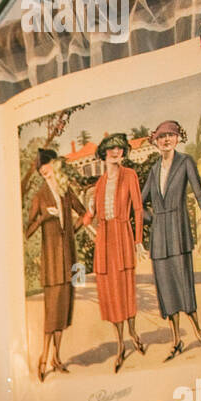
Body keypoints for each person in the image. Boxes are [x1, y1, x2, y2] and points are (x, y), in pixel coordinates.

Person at [141, 119, 201, 360]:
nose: (166, 139)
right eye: (161, 137)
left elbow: (200, 194)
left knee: (184, 285)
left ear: (178, 138)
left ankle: (199, 331)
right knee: (167, 290)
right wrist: (154, 219)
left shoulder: (186, 162)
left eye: (170, 135)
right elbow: (139, 204)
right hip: (160, 239)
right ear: (156, 142)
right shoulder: (153, 170)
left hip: (179, 234)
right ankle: (176, 340)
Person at [83, 133, 145, 373]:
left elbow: (138, 210)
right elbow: (91, 217)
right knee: (110, 292)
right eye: (111, 149)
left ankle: (133, 332)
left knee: (126, 288)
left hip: (122, 234)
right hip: (105, 239)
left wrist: (138, 241)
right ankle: (120, 344)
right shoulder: (99, 184)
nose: (116, 152)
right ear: (103, 154)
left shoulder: (129, 176)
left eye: (120, 148)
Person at [25, 148, 85, 382]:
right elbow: (27, 230)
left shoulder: (64, 189)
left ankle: (57, 358)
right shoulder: (40, 196)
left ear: (54, 164)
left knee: (64, 312)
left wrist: (74, 232)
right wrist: (44, 217)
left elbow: (83, 213)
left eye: (46, 165)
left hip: (68, 260)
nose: (43, 170)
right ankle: (43, 358)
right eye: (40, 168)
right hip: (51, 263)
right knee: (51, 315)